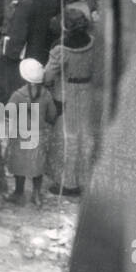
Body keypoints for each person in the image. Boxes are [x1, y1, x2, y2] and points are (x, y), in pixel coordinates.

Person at [44, 16, 95, 198]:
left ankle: (68, 182)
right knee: (86, 135)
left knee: (67, 137)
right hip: (88, 90)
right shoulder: (93, 43)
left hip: (66, 92)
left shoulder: (61, 49)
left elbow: (48, 76)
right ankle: (84, 179)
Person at [0, 0, 57, 99]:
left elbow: (18, 32)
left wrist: (9, 55)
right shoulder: (52, 1)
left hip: (24, 54)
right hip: (42, 50)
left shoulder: (27, 3)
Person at [4, 58, 56, 208]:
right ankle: (36, 194)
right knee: (37, 165)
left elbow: (8, 112)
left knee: (19, 163)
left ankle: (19, 192)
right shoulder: (46, 94)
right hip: (38, 135)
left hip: (20, 134)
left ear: (24, 77)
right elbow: (52, 115)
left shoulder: (18, 95)